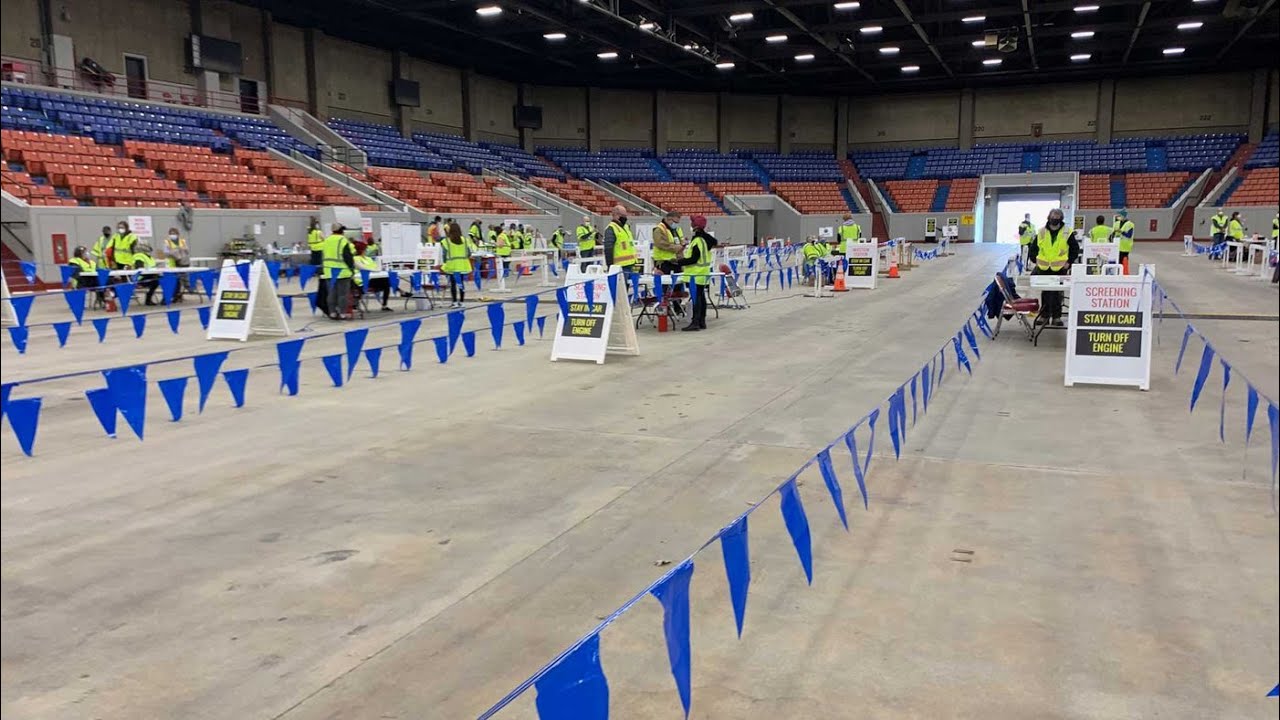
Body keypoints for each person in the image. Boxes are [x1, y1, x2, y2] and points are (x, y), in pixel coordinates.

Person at [1027, 208, 1080, 326]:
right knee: (1045, 293)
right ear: (1048, 217)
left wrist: (1069, 262)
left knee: (1057, 293)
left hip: (1060, 268)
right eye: (1053, 216)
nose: (1055, 218)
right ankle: (1044, 315)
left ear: (1061, 218)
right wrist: (1034, 259)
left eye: (1057, 216)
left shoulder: (1067, 232)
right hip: (1043, 268)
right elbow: (1033, 248)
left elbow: (1074, 249)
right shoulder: (1041, 232)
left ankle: (1056, 317)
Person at [675, 215, 715, 331]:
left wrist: (679, 262)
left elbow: (694, 259)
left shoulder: (697, 241)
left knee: (697, 299)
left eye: (692, 222)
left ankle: (696, 322)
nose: (690, 224)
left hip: (695, 274)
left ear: (696, 226)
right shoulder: (704, 240)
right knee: (701, 297)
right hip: (702, 274)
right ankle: (702, 321)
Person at [322, 224, 355, 320]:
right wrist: (352, 269)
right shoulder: (343, 240)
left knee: (331, 293)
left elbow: (323, 255)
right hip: (342, 271)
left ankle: (332, 312)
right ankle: (342, 313)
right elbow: (347, 257)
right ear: (341, 231)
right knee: (342, 295)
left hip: (329, 271)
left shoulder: (326, 240)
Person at [441, 222, 473, 308]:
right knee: (461, 283)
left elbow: (444, 254)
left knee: (453, 284)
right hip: (463, 264)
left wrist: (445, 263)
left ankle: (454, 302)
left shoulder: (446, 241)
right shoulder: (465, 240)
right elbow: (469, 253)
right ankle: (462, 302)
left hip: (452, 265)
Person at [352, 242, 391, 312]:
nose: (366, 250)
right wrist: (374, 269)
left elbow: (375, 267)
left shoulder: (368, 258)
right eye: (365, 249)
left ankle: (385, 304)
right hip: (362, 281)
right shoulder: (355, 259)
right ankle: (386, 304)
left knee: (386, 281)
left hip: (373, 278)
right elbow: (364, 268)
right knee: (386, 281)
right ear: (361, 250)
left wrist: (376, 269)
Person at [602, 205, 635, 271]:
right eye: (623, 216)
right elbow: (608, 249)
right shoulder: (611, 229)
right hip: (619, 267)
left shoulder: (626, 227)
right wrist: (610, 266)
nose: (625, 218)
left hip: (630, 264)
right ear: (616, 215)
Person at [132, 241, 162, 306]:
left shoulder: (149, 257)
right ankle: (148, 299)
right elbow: (140, 269)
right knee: (156, 280)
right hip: (140, 279)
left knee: (163, 279)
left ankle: (166, 298)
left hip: (150, 276)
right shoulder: (139, 256)